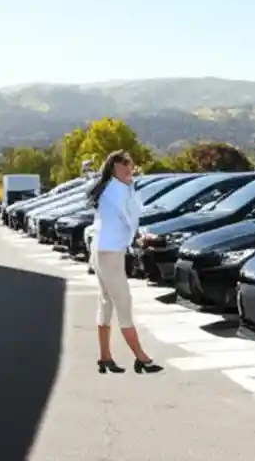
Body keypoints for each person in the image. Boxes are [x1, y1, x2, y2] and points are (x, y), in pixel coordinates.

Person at [89, 150, 163, 374]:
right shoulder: (116, 190)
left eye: (131, 166)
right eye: (125, 167)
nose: (130, 171)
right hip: (109, 251)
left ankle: (105, 357)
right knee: (123, 302)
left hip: (105, 248)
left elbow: (127, 217)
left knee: (106, 303)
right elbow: (127, 217)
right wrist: (140, 238)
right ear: (114, 169)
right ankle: (141, 357)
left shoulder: (115, 188)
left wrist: (136, 236)